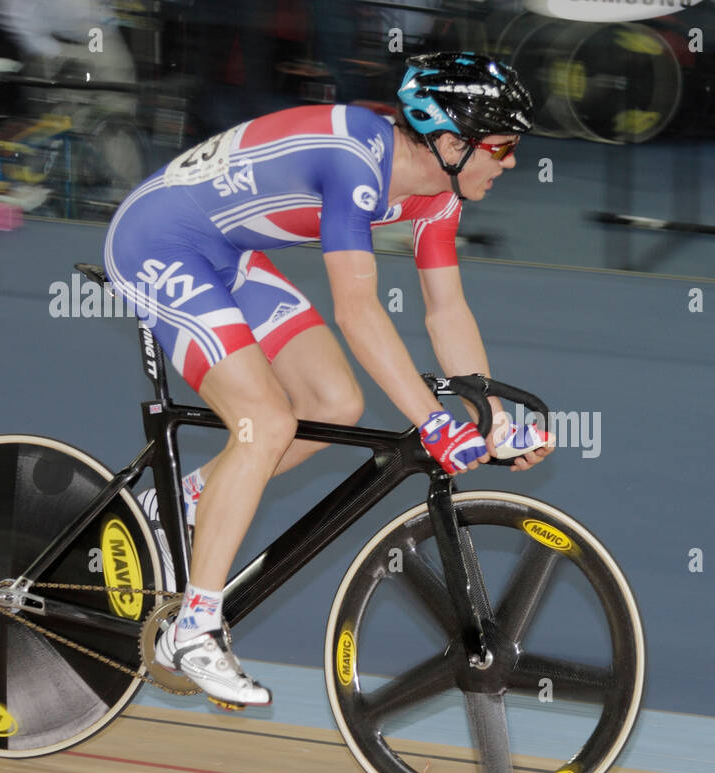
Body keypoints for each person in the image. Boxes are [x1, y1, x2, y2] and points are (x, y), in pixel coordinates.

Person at [103, 52, 552, 707]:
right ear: (452, 143)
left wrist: (491, 419)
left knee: (335, 402)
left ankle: (181, 503)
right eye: (503, 145)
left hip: (224, 254)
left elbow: (445, 309)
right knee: (266, 422)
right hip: (158, 242)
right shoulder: (354, 158)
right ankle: (193, 631)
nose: (511, 161)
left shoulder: (438, 197)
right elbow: (358, 308)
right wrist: (432, 421)